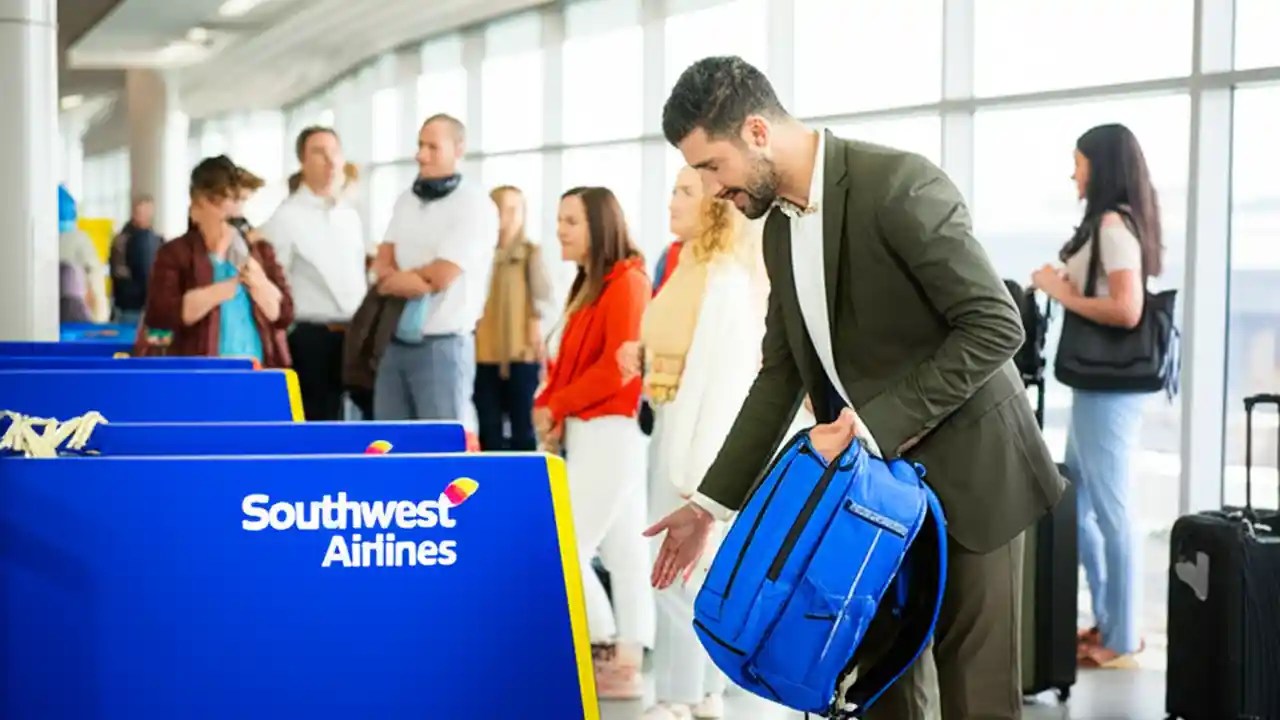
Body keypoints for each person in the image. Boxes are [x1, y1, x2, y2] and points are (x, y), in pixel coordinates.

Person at [646, 56, 1063, 720]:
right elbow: (780, 374)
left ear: (757, 131)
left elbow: (994, 325)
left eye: (711, 166)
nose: (711, 188)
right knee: (879, 679)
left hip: (972, 473)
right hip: (873, 495)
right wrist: (707, 507)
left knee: (973, 688)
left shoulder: (897, 185)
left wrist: (870, 424)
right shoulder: (780, 228)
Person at [616, 166, 768, 720]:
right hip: (676, 434)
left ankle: (679, 697)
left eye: (685, 191)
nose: (672, 200)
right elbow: (680, 362)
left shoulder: (722, 279)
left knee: (675, 570)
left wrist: (696, 475)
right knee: (688, 573)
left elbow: (721, 382)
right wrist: (644, 359)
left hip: (693, 449)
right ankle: (701, 691)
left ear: (713, 205)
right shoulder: (687, 267)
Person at [1030, 123, 1162, 670]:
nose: (1073, 172)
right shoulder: (1111, 225)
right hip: (1096, 389)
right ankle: (1108, 622)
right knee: (1081, 503)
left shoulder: (1112, 225)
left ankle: (1123, 635)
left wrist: (1059, 290)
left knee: (1109, 509)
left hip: (1109, 391)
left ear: (1100, 167)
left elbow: (1128, 310)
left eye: (1079, 162)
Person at [534, 186, 654, 700]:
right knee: (625, 553)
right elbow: (569, 365)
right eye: (559, 219)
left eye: (570, 221)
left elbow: (617, 369)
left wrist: (556, 406)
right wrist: (552, 407)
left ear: (598, 226)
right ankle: (625, 663)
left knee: (565, 541)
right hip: (587, 431)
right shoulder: (589, 285)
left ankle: (601, 641)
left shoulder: (627, 283)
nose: (559, 229)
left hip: (609, 431)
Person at [371, 114, 497, 422]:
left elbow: (441, 276)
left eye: (432, 147)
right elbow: (382, 263)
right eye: (419, 145)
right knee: (389, 445)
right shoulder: (406, 200)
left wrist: (399, 280)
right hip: (396, 340)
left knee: (443, 448)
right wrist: (410, 280)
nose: (421, 155)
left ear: (458, 149)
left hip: (443, 345)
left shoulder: (474, 203)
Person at [262, 127, 370, 421]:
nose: (330, 160)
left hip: (355, 335)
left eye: (334, 151)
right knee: (320, 421)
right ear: (302, 160)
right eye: (319, 153)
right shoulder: (286, 218)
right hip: (312, 339)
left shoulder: (349, 215)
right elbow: (274, 286)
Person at [144, 156, 294, 367]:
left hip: (257, 373)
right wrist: (220, 289)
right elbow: (160, 317)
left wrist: (259, 282)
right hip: (199, 377)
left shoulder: (260, 252)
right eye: (219, 201)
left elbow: (284, 315)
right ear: (197, 207)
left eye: (237, 201)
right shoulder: (175, 254)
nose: (231, 210)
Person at [473, 185, 554, 450]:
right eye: (498, 210)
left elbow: (545, 298)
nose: (504, 217)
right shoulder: (479, 255)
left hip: (522, 355)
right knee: (489, 428)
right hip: (483, 354)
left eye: (512, 210)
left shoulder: (530, 253)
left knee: (523, 428)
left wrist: (536, 325)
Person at [109, 194, 163, 327]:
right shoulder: (143, 239)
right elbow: (146, 273)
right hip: (138, 309)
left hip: (122, 306)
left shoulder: (121, 237)